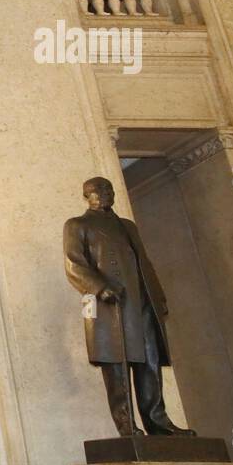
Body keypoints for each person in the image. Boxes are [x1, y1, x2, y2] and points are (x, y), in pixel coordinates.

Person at [63, 177, 195, 437]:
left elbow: (144, 262)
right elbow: (74, 264)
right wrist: (100, 287)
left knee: (149, 362)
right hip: (110, 308)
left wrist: (158, 297)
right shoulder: (78, 225)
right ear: (86, 195)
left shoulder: (127, 226)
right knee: (117, 367)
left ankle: (159, 422)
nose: (106, 194)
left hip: (141, 304)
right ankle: (126, 425)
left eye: (109, 190)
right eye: (99, 190)